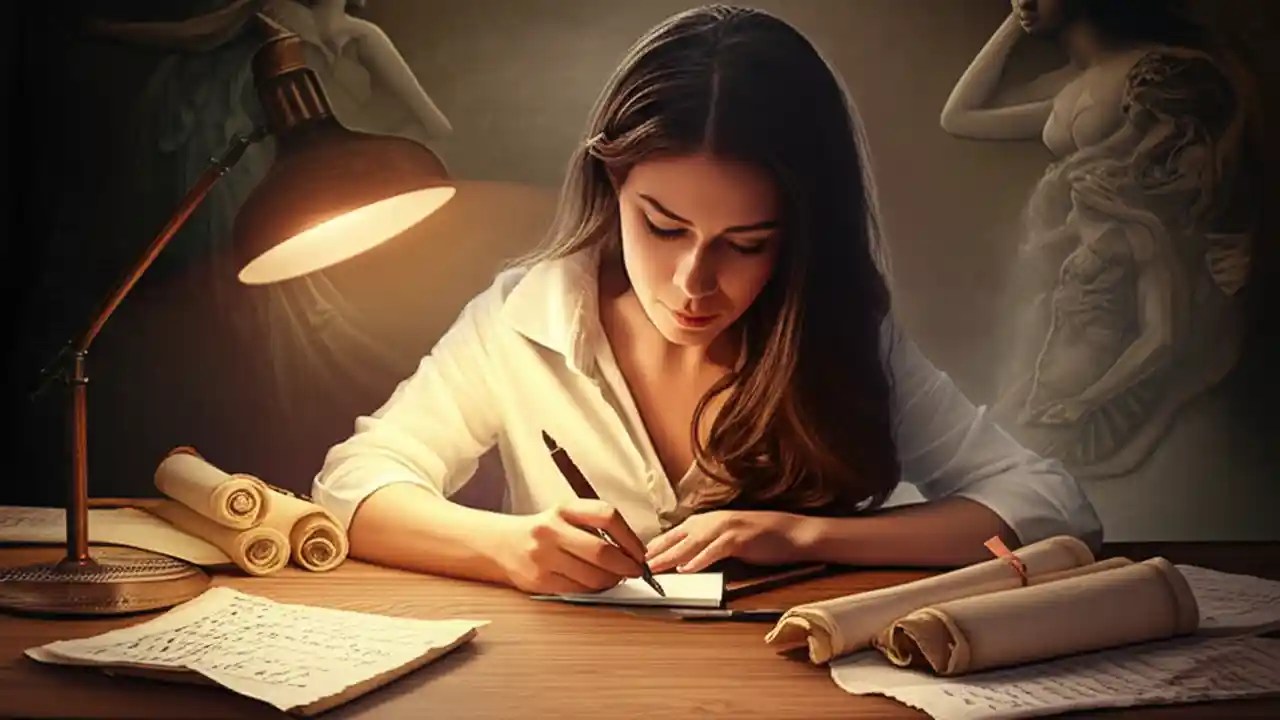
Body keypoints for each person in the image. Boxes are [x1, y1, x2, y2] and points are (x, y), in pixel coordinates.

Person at [313, 4, 1102, 595]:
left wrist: (801, 536)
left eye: (747, 243)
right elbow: (353, 484)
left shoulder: (840, 332)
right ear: (611, 183)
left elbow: (1051, 505)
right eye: (661, 227)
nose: (694, 283)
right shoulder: (526, 318)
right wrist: (509, 548)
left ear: (798, 234)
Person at [940, 0, 1261, 478]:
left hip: (1133, 283)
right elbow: (959, 116)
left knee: (1053, 445)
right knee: (1013, 436)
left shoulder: (1162, 70)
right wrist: (1014, 23)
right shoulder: (1065, 86)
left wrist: (1239, 239)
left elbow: (1219, 169)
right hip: (1075, 284)